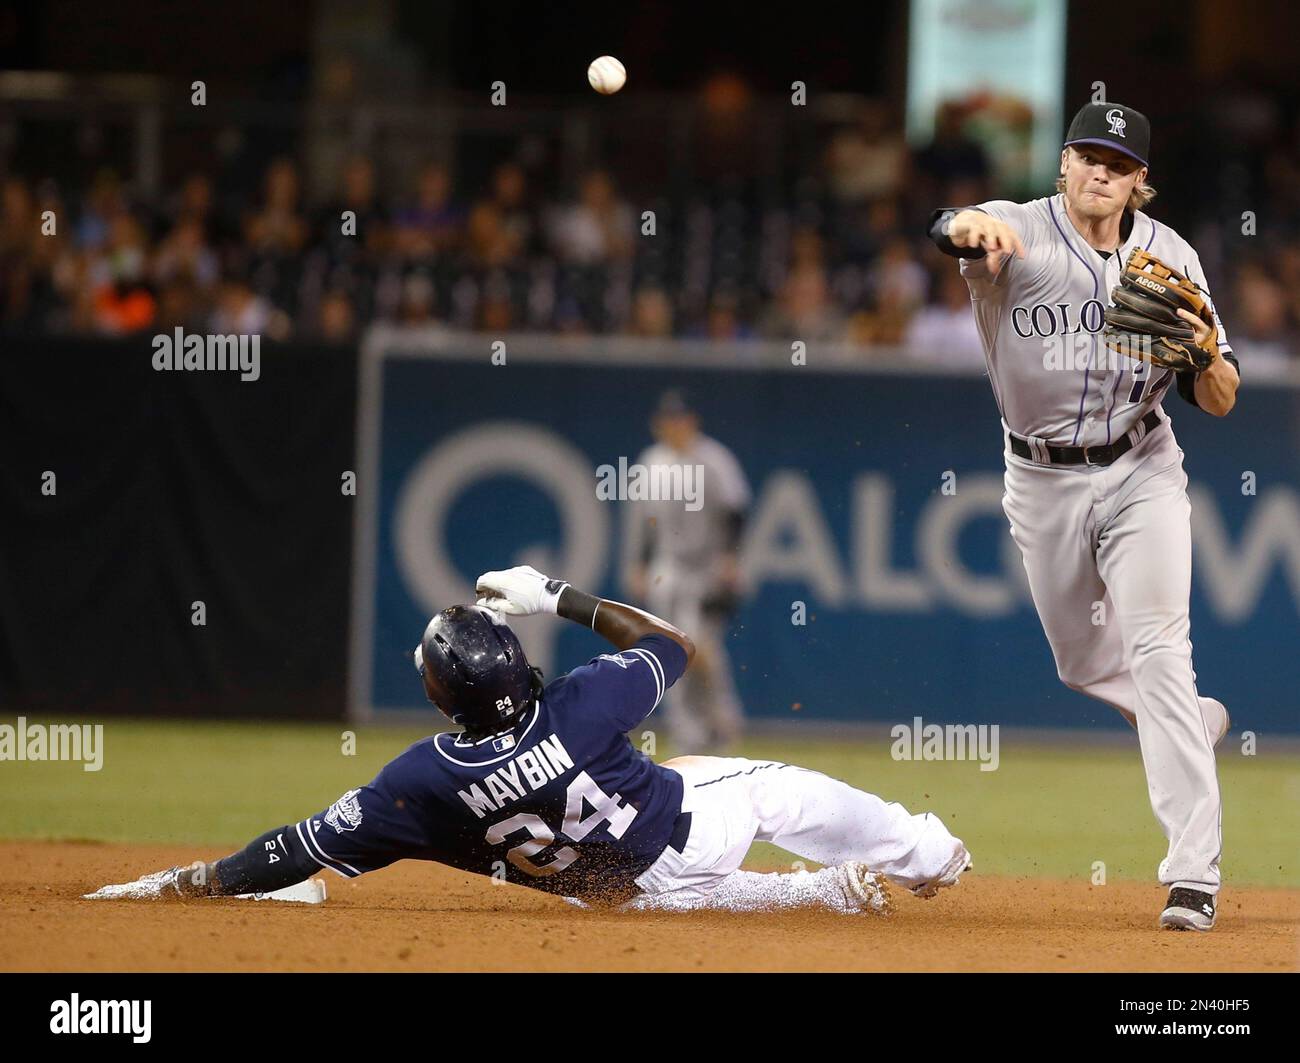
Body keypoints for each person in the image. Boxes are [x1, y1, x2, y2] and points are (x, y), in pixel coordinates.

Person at [86, 565, 970, 915]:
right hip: (686, 834)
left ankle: (829, 898)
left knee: (663, 883)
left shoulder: (418, 782)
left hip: (617, 891)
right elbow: (672, 644)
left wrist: (200, 879)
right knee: (783, 791)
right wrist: (555, 595)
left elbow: (297, 844)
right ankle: (929, 853)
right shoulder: (579, 706)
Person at [927, 102, 1239, 931]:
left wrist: (1205, 352)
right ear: (1062, 164)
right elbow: (954, 226)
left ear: (1141, 183)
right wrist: (963, 226)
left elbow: (1220, 395)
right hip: (1041, 478)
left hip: (1144, 464)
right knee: (1079, 661)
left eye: (1118, 162)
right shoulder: (1016, 228)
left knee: (1160, 649)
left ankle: (1193, 875)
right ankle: (1189, 722)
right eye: (1086, 155)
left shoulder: (1172, 254)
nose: (1100, 171)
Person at [626, 391, 750, 753]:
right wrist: (640, 564)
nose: (675, 427)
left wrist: (730, 558)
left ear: (692, 422)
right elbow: (645, 522)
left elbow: (736, 512)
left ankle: (722, 723)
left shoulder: (714, 458)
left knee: (701, 647)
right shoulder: (651, 462)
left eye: (680, 419)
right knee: (668, 651)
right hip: (668, 565)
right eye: (668, 421)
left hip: (707, 565)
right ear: (658, 425)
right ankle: (687, 736)